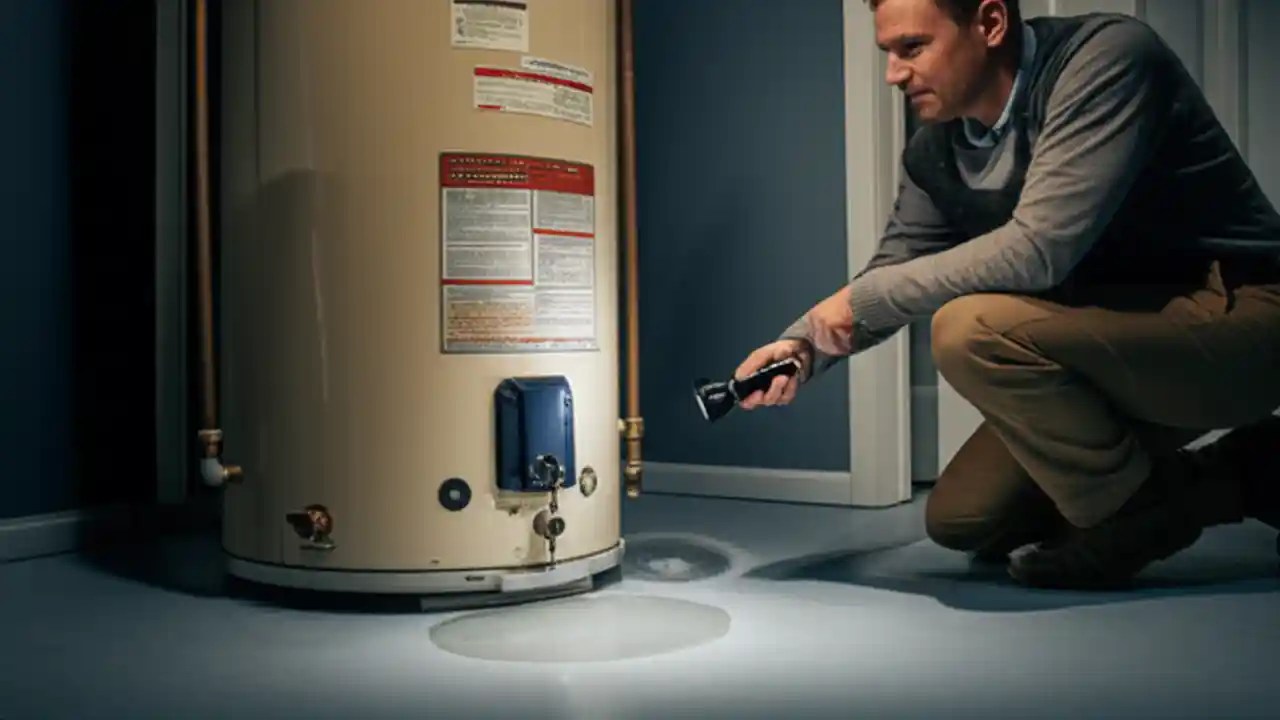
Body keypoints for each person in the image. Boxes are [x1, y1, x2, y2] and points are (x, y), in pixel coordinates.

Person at [734, 0, 1280, 589]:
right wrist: (803, 346)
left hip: (1243, 316)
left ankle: (1137, 518)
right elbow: (893, 270)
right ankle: (1252, 472)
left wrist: (857, 303)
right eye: (887, 53)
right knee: (967, 520)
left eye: (912, 48)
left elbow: (1039, 249)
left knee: (969, 330)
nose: (893, 73)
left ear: (990, 24)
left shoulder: (1107, 60)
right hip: (1116, 339)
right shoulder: (935, 146)